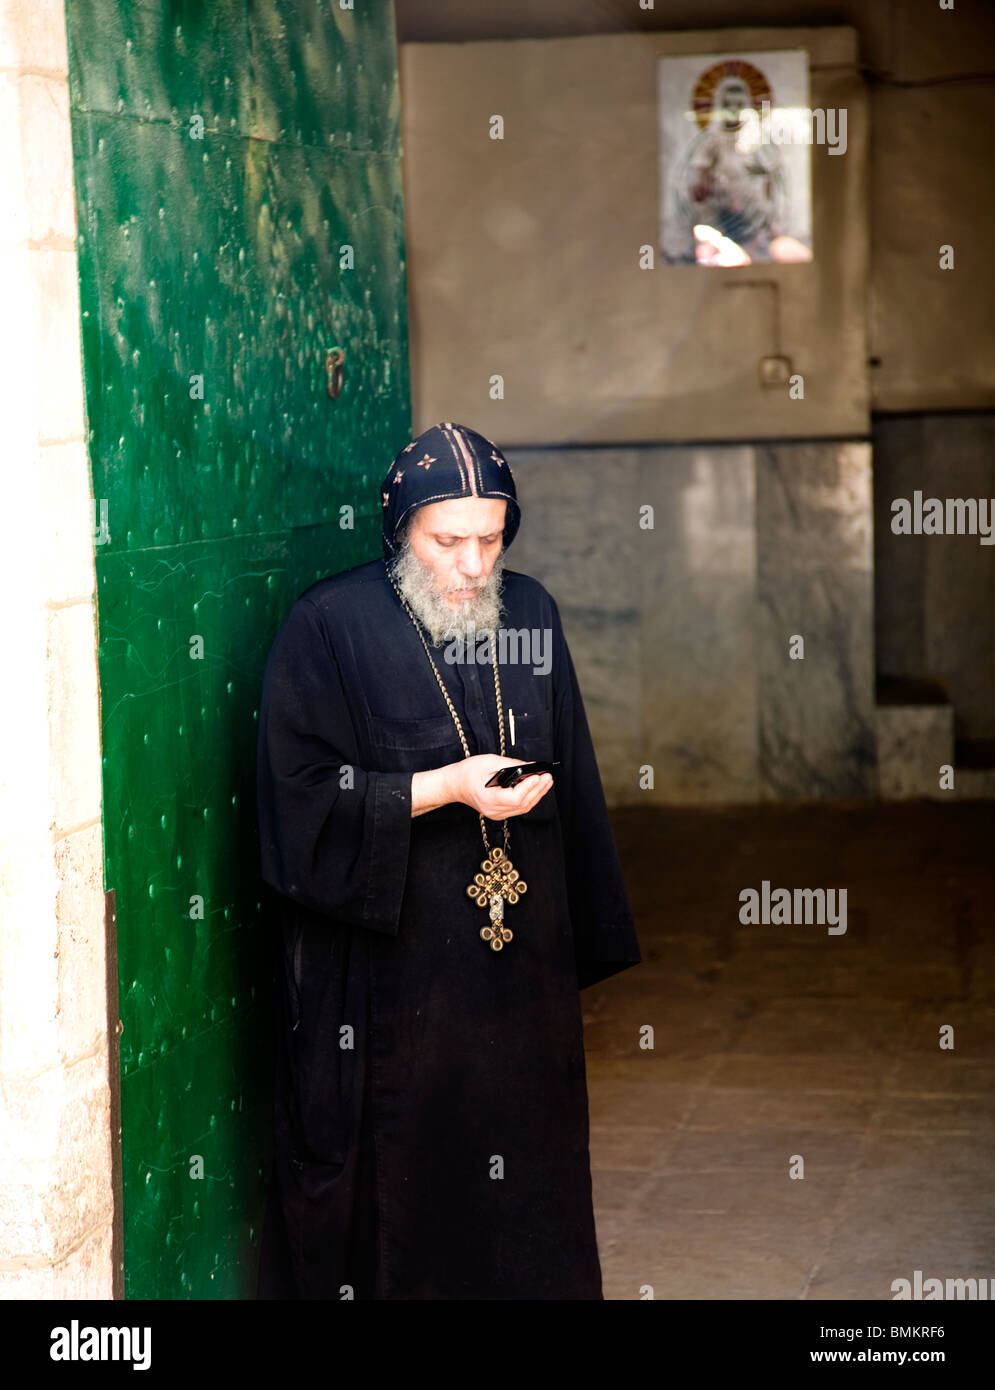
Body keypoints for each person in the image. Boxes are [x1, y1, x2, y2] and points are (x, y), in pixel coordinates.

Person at [255, 420, 641, 1300]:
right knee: (411, 1195)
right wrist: (445, 788)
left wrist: (576, 929)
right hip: (396, 982)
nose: (473, 565)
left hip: (518, 975)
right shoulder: (331, 625)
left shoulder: (530, 611)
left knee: (527, 1190)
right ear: (400, 532)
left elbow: (570, 770)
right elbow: (299, 803)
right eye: (448, 542)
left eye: (491, 540)